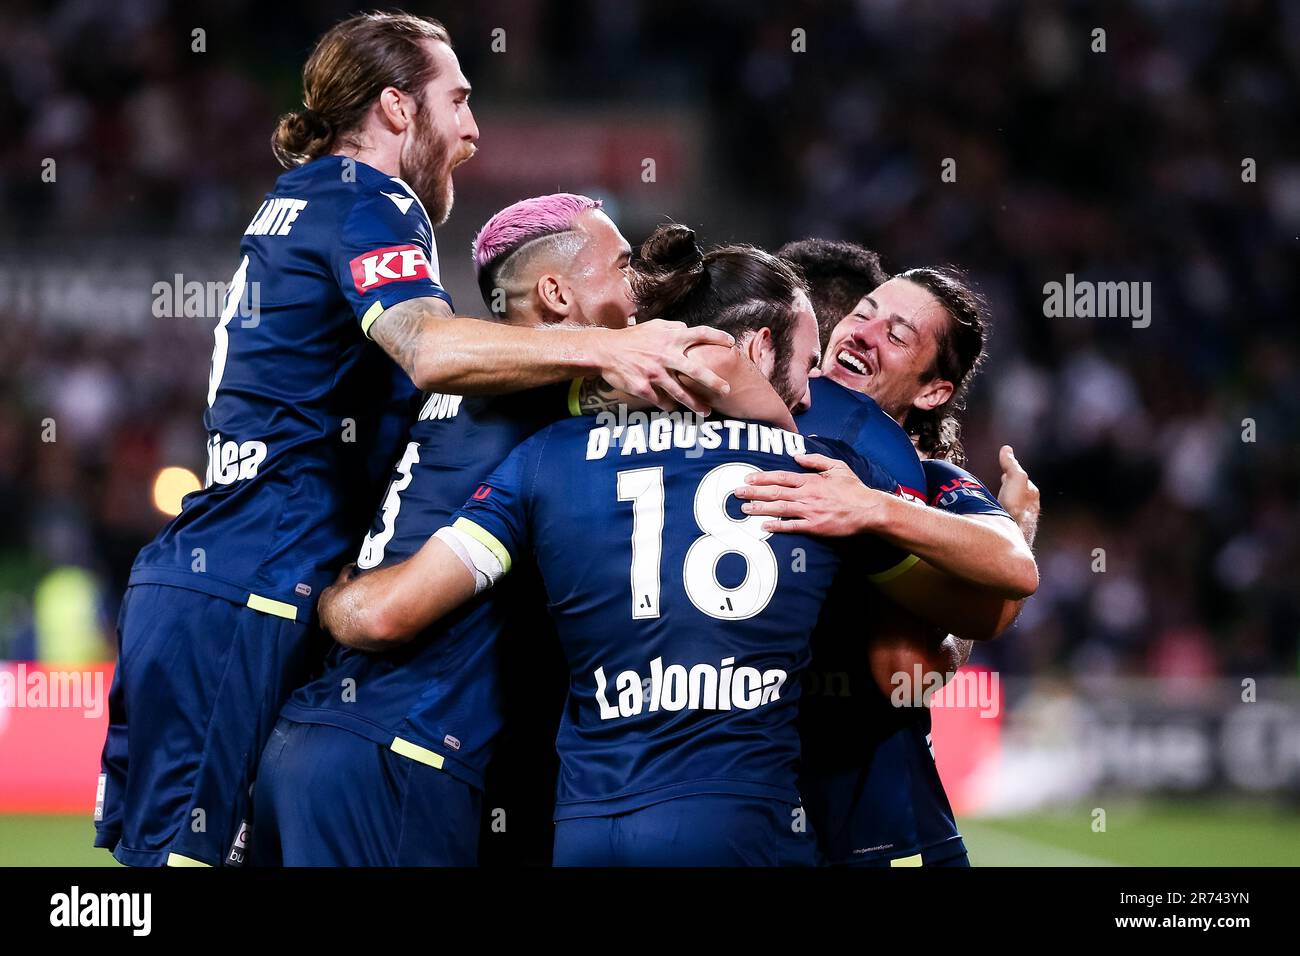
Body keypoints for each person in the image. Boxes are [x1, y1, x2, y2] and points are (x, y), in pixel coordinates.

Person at [95, 13, 732, 868]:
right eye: (458, 101)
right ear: (397, 108)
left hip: (228, 583)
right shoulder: (370, 196)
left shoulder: (306, 200)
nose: (472, 130)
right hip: (250, 589)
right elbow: (431, 350)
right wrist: (614, 344)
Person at [747, 250, 1041, 865]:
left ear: (934, 391)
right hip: (795, 803)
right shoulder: (750, 442)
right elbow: (917, 665)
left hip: (857, 811)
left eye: (897, 333)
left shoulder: (934, 487)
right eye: (864, 314)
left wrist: (874, 510)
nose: (865, 333)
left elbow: (1010, 571)